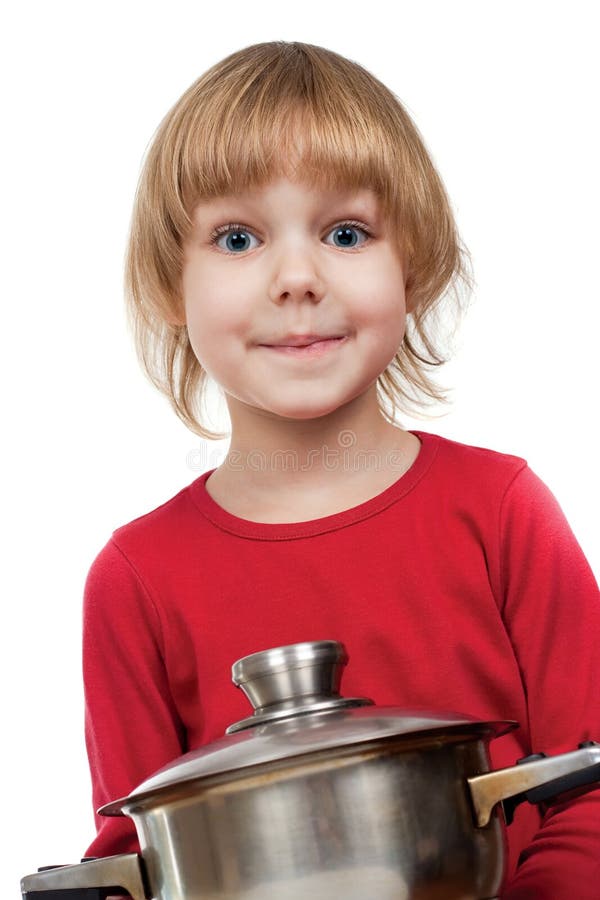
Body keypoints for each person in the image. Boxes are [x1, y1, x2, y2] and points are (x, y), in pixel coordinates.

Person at [82, 41, 600, 897]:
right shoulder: (134, 580)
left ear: (413, 266)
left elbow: (591, 783)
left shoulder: (502, 510)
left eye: (346, 233)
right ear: (171, 285)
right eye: (238, 237)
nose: (297, 279)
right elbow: (134, 861)